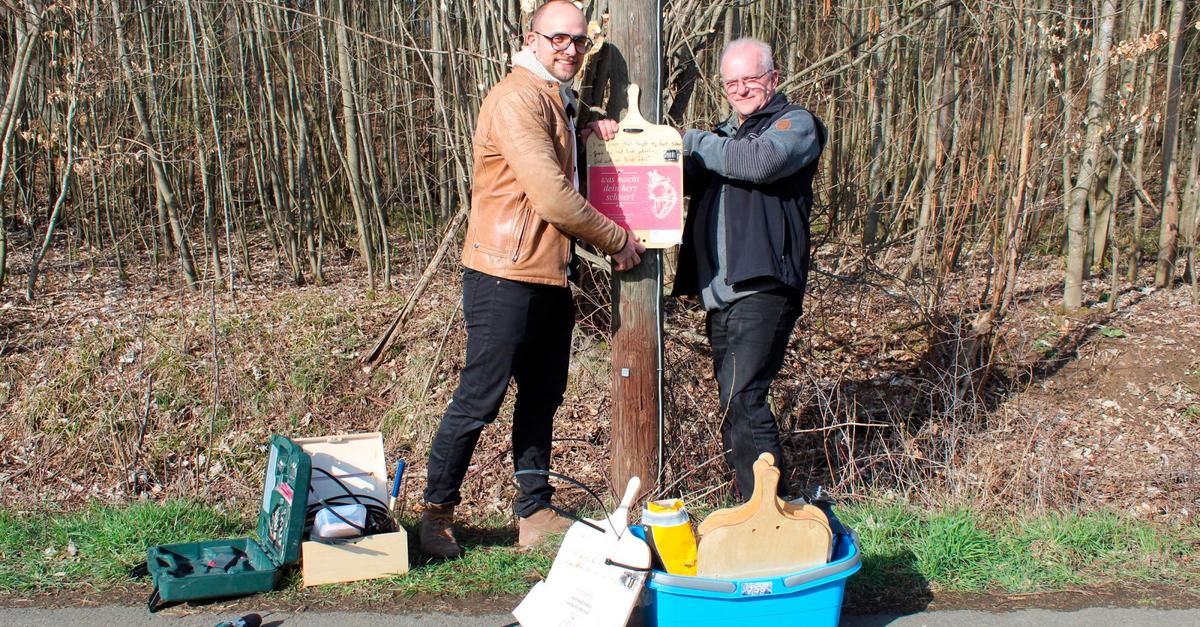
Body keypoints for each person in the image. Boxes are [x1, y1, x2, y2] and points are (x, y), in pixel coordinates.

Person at [419, 0, 646, 558]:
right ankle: (435, 515)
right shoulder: (517, 97)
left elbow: (559, 159)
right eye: (558, 39)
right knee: (479, 397)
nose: (570, 49)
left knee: (542, 397)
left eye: (580, 41)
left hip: (548, 275)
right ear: (532, 38)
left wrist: (591, 129)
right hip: (503, 272)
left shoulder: (556, 99)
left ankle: (535, 512)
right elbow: (550, 195)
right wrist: (617, 239)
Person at [673, 37, 826, 500]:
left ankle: (771, 509)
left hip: (764, 286)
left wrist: (691, 141)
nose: (740, 90)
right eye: (731, 82)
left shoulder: (793, 124)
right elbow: (671, 176)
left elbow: (760, 163)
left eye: (750, 80)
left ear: (773, 80)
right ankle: (753, 505)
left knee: (744, 396)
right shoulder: (721, 139)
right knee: (733, 403)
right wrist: (635, 144)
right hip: (721, 292)